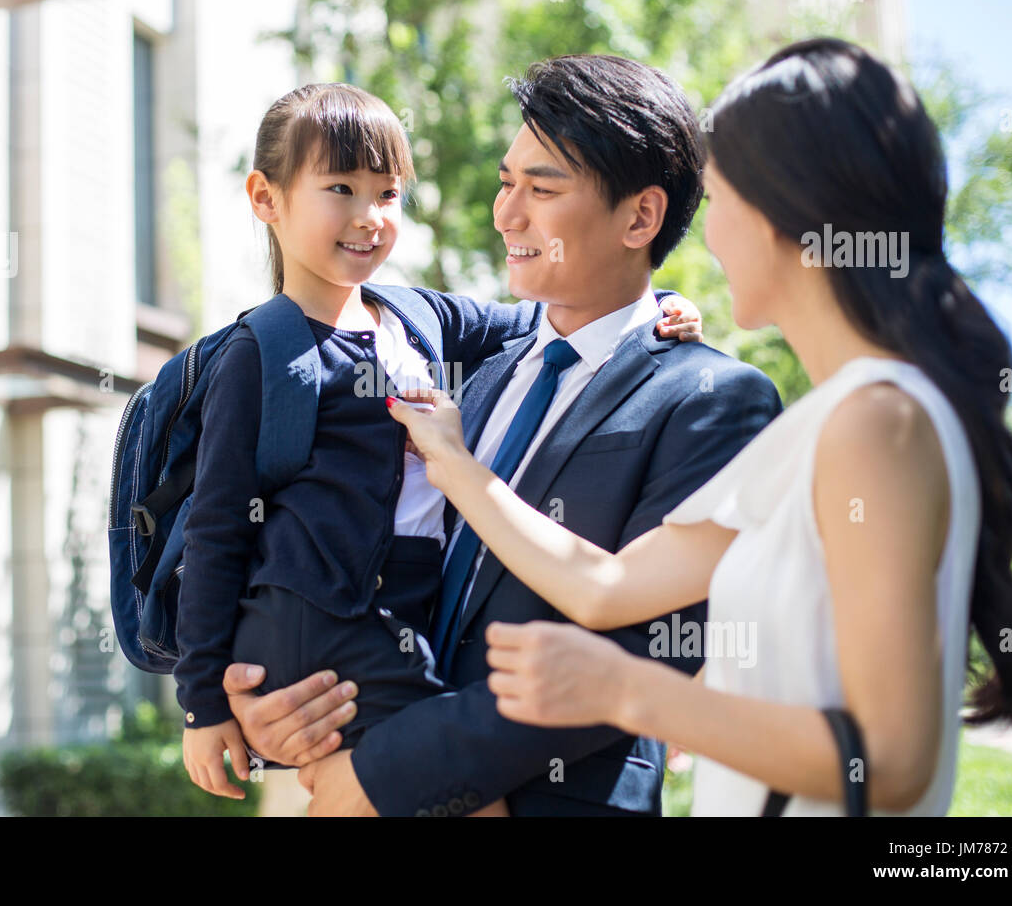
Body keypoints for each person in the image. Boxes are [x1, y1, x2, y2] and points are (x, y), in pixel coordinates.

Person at [385, 38, 1012, 815]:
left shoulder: (879, 421)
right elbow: (604, 589)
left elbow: (895, 760)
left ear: (788, 214)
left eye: (722, 198)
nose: (706, 233)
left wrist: (629, 690)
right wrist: (453, 461)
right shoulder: (826, 427)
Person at [220, 56, 782, 816]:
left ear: (640, 218)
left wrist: (388, 771)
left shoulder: (716, 400)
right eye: (505, 181)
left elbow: (643, 655)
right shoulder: (466, 379)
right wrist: (280, 699)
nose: (505, 213)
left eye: (541, 188)